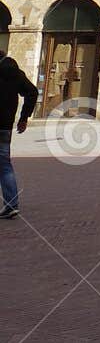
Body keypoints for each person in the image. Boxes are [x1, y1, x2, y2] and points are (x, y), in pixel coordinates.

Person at [0, 50, 39, 219]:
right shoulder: (15, 72)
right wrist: (23, 118)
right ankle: (11, 204)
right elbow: (32, 91)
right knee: (4, 165)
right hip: (5, 126)